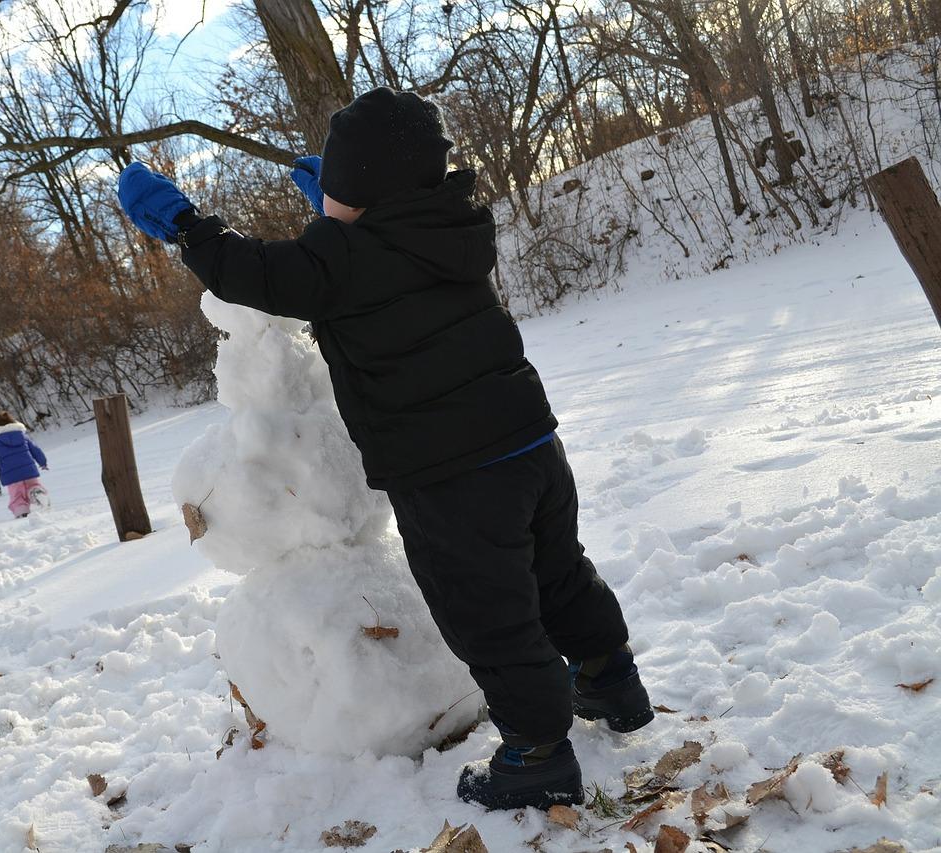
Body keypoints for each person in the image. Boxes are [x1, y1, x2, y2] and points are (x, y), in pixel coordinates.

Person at [116, 87, 654, 811]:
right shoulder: (453, 226)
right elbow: (382, 249)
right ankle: (611, 679)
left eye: (338, 189)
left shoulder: (339, 259)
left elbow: (256, 273)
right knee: (557, 571)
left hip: (451, 476)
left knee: (487, 615)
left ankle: (537, 754)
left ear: (363, 195)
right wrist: (343, 210)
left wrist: (187, 226)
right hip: (530, 443)